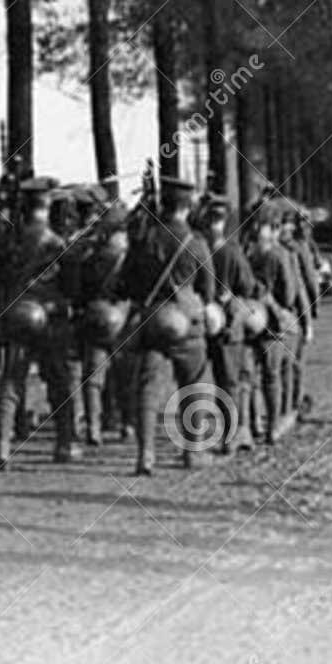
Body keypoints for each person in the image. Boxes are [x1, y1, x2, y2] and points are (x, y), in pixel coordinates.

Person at [0, 181, 82, 471]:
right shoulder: (60, 245)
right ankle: (65, 443)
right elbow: (72, 290)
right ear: (48, 208)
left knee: (11, 383)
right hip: (50, 321)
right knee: (59, 382)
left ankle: (1, 447)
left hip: (15, 317)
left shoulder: (7, 244)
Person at [119, 175, 215, 474]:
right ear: (187, 208)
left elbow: (128, 283)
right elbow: (208, 290)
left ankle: (145, 455)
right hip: (188, 323)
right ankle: (193, 452)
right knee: (195, 385)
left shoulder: (147, 239)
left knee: (147, 389)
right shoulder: (197, 244)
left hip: (152, 321)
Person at [245, 202, 310, 444]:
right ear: (273, 228)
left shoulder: (248, 252)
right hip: (276, 324)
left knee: (250, 378)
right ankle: (273, 426)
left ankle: (253, 424)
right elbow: (292, 292)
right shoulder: (280, 254)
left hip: (250, 321)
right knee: (273, 376)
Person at [198, 197, 259, 453]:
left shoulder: (196, 249)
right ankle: (231, 436)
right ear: (224, 222)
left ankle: (199, 438)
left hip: (199, 324)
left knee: (199, 380)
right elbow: (248, 287)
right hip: (227, 326)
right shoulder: (232, 252)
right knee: (230, 381)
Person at [73, 200, 133, 446]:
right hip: (123, 315)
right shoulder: (130, 255)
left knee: (93, 377)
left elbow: (79, 289)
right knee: (125, 374)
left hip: (95, 314)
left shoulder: (91, 254)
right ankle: (127, 424)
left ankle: (94, 427)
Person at [281, 209, 319, 414]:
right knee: (296, 361)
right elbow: (309, 283)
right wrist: (312, 312)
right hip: (296, 310)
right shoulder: (300, 248)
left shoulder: (274, 246)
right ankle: (294, 401)